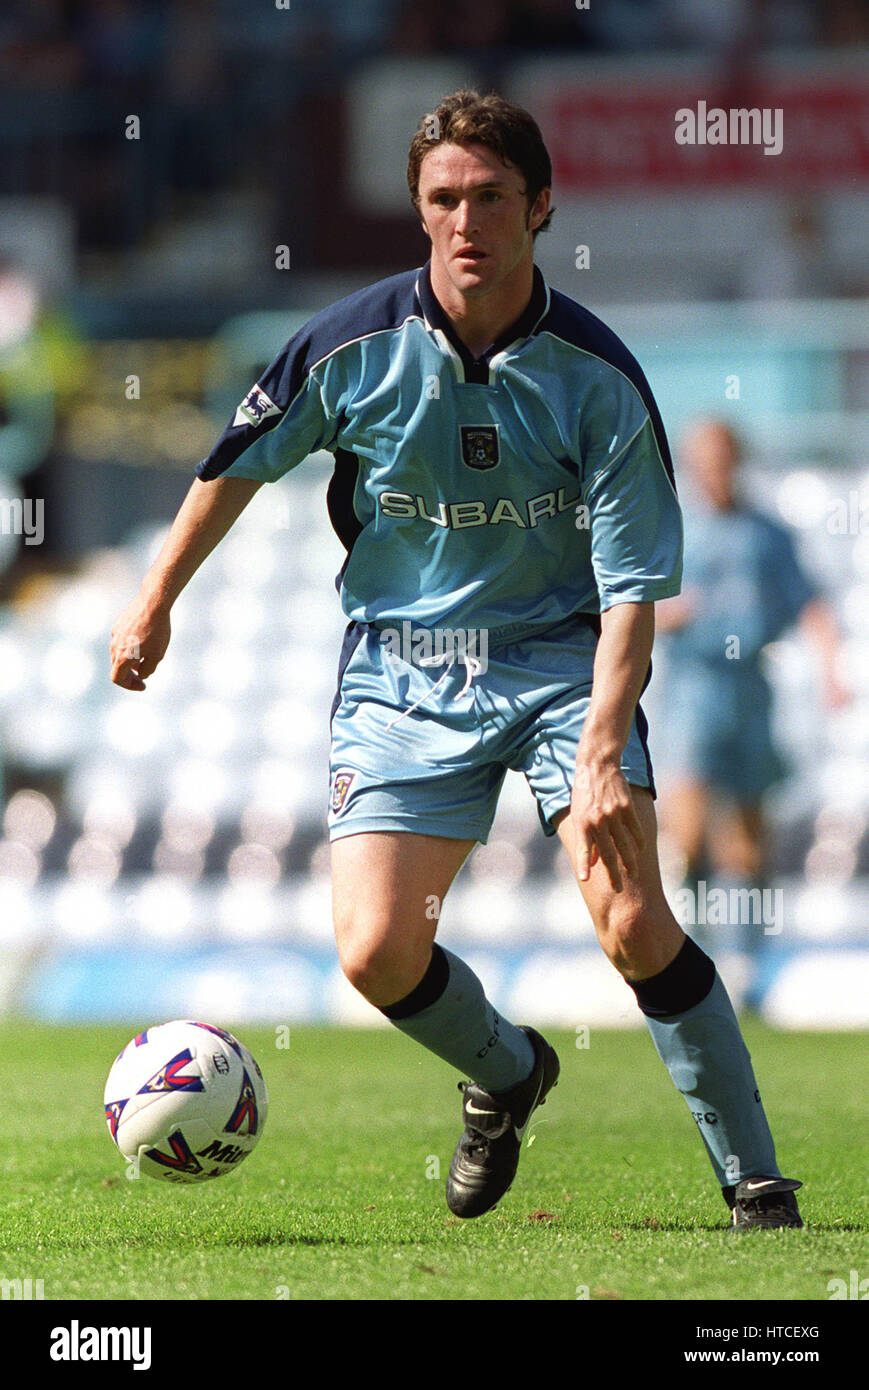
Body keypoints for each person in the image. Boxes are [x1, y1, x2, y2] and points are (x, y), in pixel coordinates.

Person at [110, 90, 802, 1231]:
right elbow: (234, 463)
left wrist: (594, 754)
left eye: (488, 198)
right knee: (377, 951)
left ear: (539, 208)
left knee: (629, 916)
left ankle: (755, 1184)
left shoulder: (600, 379)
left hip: (554, 665)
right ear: (417, 209)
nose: (463, 221)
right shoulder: (348, 345)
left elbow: (631, 593)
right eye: (442, 199)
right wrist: (154, 600)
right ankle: (511, 1071)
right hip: (398, 667)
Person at [655, 417, 848, 948]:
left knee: (747, 840)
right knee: (687, 835)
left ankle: (747, 959)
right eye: (704, 463)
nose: (714, 473)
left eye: (723, 461)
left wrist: (832, 671)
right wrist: (668, 614)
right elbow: (627, 606)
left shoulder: (767, 534)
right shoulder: (671, 528)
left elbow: (810, 602)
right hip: (693, 690)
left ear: (737, 463)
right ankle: (688, 956)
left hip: (749, 689)